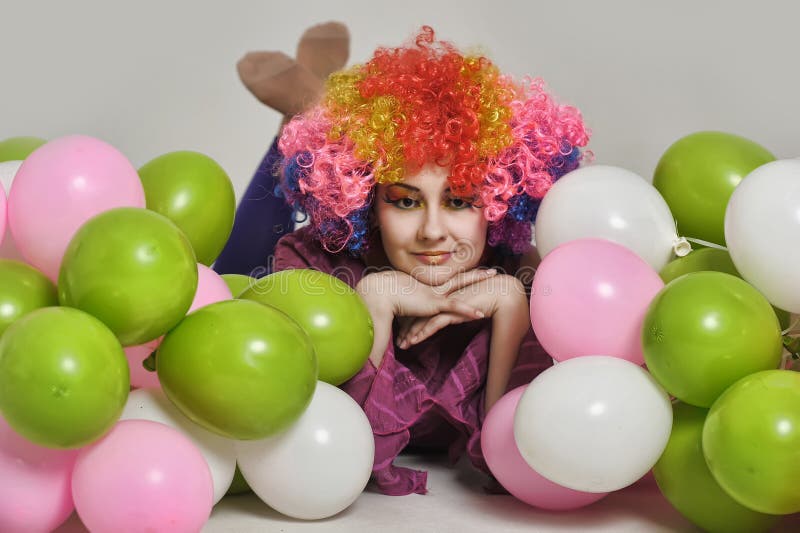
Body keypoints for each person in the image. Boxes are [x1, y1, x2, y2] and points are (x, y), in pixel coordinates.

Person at [215, 23, 590, 496]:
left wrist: (511, 305)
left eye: (459, 201)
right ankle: (302, 108)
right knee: (240, 258)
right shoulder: (313, 267)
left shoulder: (523, 272)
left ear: (497, 203)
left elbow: (509, 467)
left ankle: (314, 100)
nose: (433, 231)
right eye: (406, 201)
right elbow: (330, 459)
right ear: (369, 201)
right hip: (289, 264)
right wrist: (375, 299)